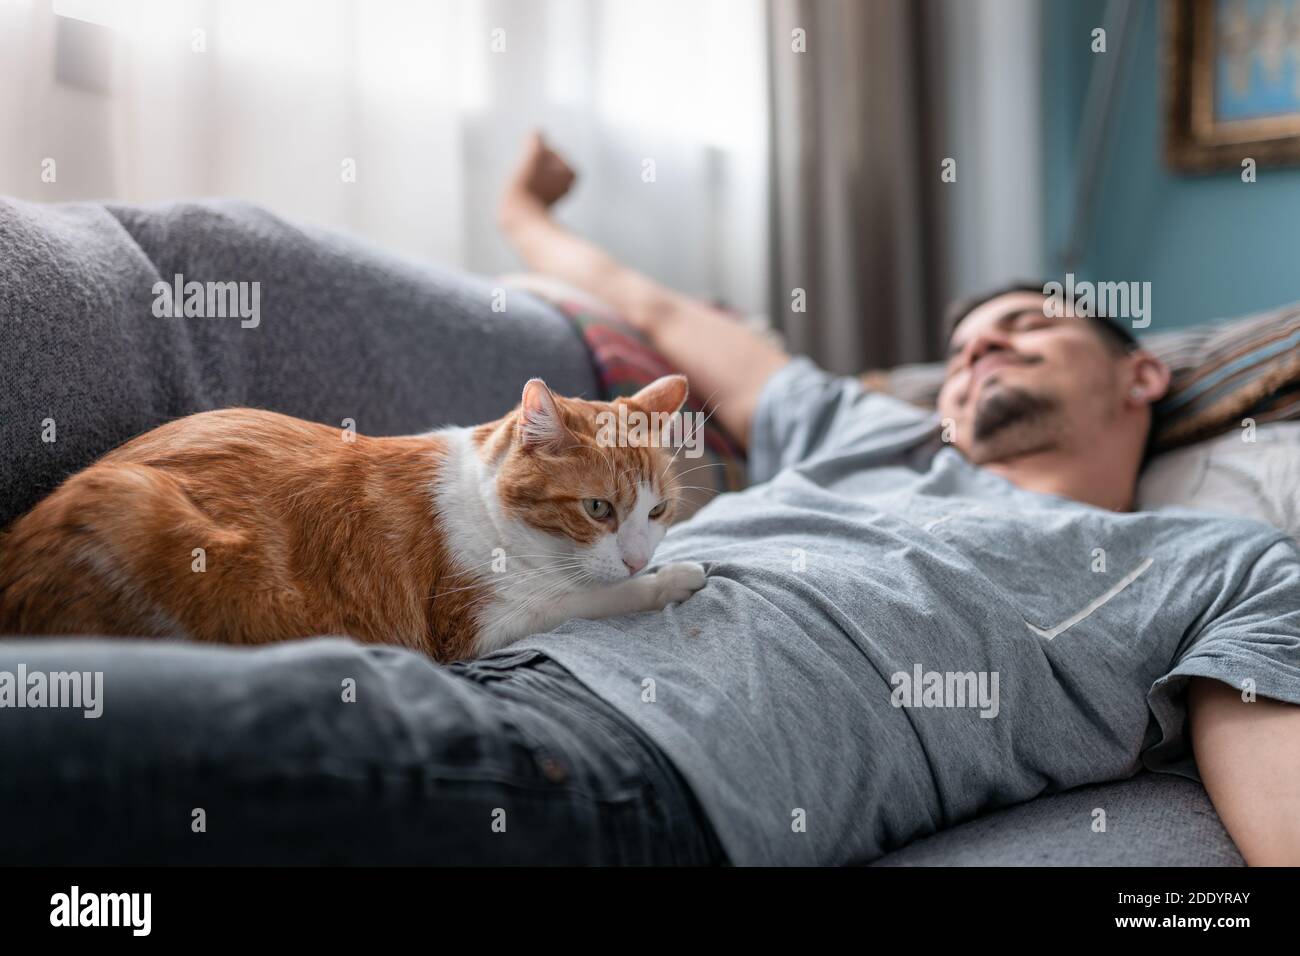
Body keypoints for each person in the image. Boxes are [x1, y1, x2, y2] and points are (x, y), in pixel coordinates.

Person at [486, 133, 1300, 865]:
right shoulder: (864, 427)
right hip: (492, 649)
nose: (982, 348)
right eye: (961, 353)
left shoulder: (1221, 559)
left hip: (638, 763)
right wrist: (522, 213)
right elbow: (655, 309)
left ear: (1142, 373)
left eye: (1024, 326)